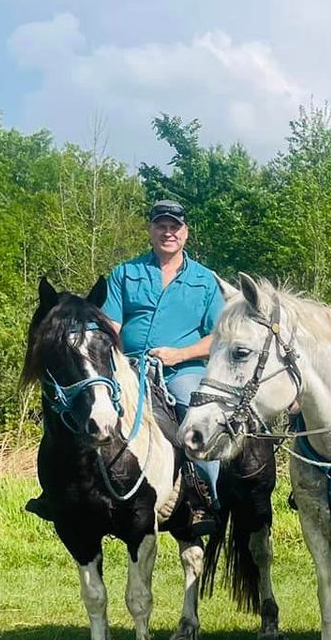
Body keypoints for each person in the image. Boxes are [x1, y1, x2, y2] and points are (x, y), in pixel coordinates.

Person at [26, 198, 222, 533]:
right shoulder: (125, 274)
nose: (168, 232)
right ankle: (57, 491)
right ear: (151, 230)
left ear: (185, 233)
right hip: (127, 368)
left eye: (174, 227)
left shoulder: (205, 281)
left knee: (196, 420)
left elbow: (219, 336)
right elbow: (110, 326)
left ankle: (206, 499)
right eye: (161, 226)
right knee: (79, 406)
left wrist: (179, 355)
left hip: (182, 371)